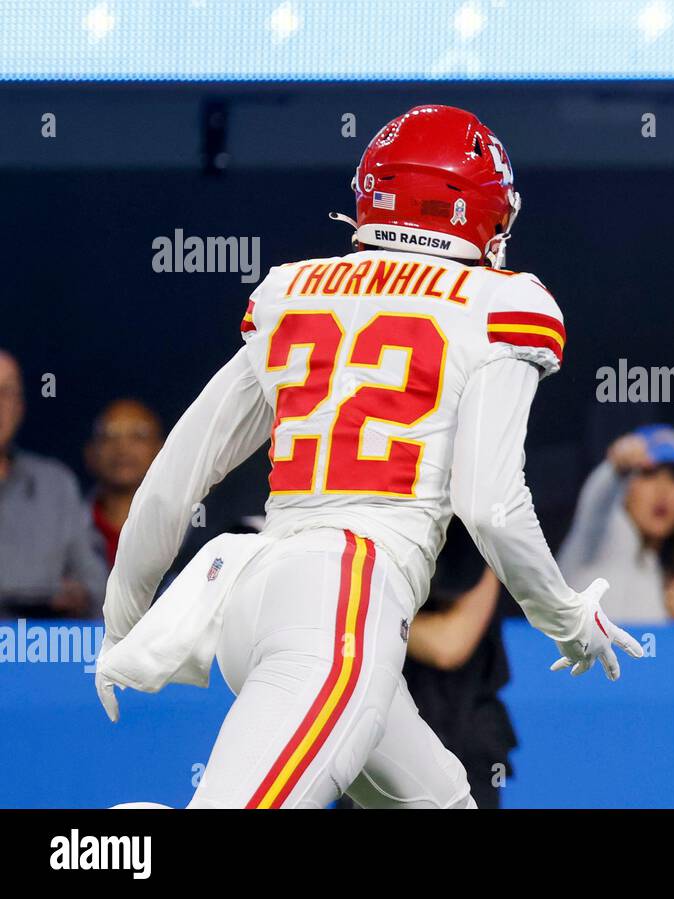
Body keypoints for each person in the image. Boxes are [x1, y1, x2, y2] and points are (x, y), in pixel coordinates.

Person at [94, 105, 643, 809]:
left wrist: (122, 614)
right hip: (345, 599)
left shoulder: (294, 291)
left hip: (254, 592)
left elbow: (177, 474)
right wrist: (565, 616)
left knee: (443, 798)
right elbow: (490, 505)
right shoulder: (498, 302)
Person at [402, 518, 517, 809]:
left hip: (464, 740)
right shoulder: (372, 524)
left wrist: (372, 613)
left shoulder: (481, 525)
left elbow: (449, 644)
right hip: (381, 733)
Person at [0, 349, 106, 617]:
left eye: (7, 392)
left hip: (38, 651)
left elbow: (97, 585)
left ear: (20, 407)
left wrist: (80, 595)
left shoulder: (56, 485)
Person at [557, 425, 674, 623]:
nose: (663, 491)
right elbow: (595, 507)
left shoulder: (659, 570)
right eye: (649, 474)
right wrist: (616, 467)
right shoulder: (601, 539)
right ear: (626, 485)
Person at [84, 399, 164, 567]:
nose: (122, 448)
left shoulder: (188, 526)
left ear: (162, 450)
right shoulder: (65, 525)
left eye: (138, 437)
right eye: (108, 437)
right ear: (90, 454)